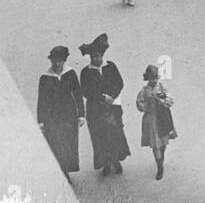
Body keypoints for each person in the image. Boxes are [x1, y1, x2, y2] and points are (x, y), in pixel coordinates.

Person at [78, 33, 130, 177]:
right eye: (92, 57)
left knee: (115, 134)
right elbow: (85, 91)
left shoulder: (111, 66)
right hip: (95, 109)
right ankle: (106, 163)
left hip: (113, 107)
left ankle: (115, 160)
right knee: (100, 136)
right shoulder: (86, 72)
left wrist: (112, 97)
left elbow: (119, 82)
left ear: (102, 55)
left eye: (97, 56)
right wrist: (102, 98)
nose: (95, 59)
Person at [37, 46, 83, 176]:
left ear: (64, 60)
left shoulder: (70, 73)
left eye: (60, 61)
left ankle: (66, 169)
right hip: (52, 117)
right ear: (51, 61)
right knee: (56, 142)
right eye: (54, 61)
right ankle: (62, 172)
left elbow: (78, 94)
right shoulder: (45, 77)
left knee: (69, 143)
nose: (57, 64)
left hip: (69, 115)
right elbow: (42, 100)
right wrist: (41, 121)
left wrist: (81, 114)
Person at [136, 65, 176, 179]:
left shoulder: (162, 87)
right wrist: (145, 106)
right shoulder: (144, 91)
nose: (153, 80)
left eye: (155, 77)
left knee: (163, 142)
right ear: (147, 78)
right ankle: (159, 166)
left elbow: (170, 101)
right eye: (151, 78)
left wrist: (161, 99)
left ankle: (161, 159)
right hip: (151, 120)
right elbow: (139, 103)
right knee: (155, 145)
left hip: (163, 118)